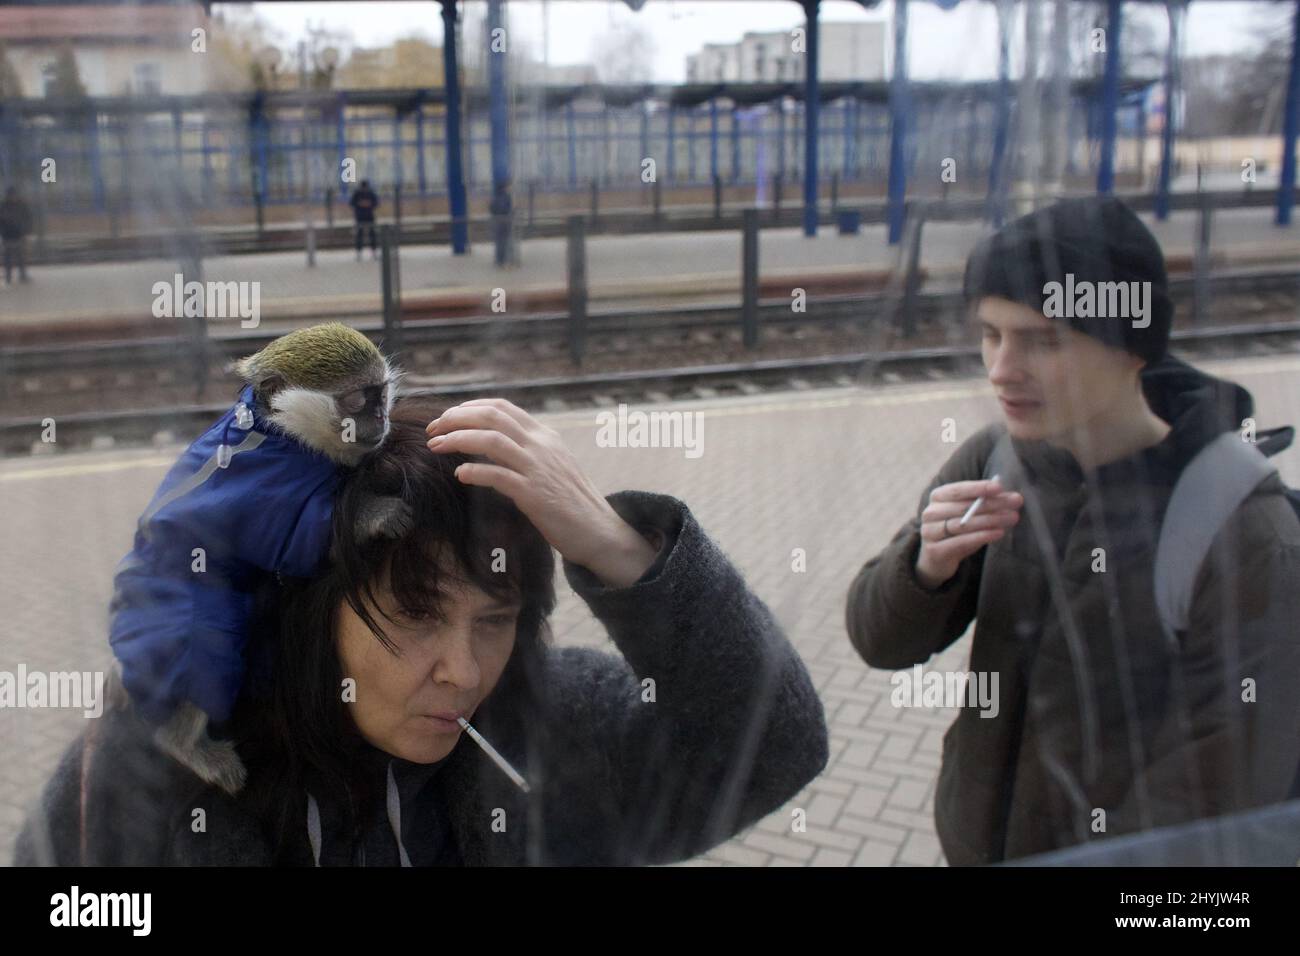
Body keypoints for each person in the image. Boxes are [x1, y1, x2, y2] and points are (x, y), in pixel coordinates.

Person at [15, 396, 828, 866]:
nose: (463, 672)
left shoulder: (543, 739)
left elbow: (775, 746)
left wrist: (615, 547)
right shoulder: (158, 765)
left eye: (496, 620)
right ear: (313, 606)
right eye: (415, 615)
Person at [845, 196, 1300, 865]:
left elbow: (1211, 808)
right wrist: (922, 570)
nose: (1001, 370)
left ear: (1131, 347)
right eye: (992, 334)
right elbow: (876, 640)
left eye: (1043, 340)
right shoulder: (995, 461)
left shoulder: (1244, 532)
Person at [0, 186, 32, 285]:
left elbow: (28, 218)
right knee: (8, 257)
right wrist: (2, 231)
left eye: (14, 195)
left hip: (20, 234)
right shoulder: (3, 206)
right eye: (11, 195)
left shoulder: (22, 205)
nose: (13, 197)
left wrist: (26, 230)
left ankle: (22, 274)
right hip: (8, 235)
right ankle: (8, 275)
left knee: (21, 256)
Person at [348, 179, 380, 261]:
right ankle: (359, 253)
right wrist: (361, 204)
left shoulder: (370, 193)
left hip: (367, 216)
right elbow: (352, 203)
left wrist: (367, 204)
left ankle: (373, 252)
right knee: (360, 234)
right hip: (361, 216)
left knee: (372, 234)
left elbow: (376, 203)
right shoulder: (358, 193)